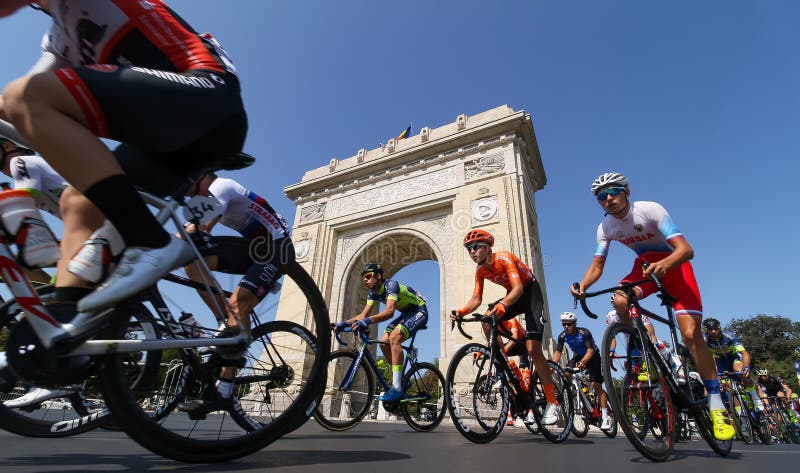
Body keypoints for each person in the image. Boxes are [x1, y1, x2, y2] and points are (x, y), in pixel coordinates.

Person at [0, 1, 248, 328]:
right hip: (166, 139)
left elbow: (24, 100)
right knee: (78, 203)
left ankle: (149, 239)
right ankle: (66, 331)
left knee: (23, 96)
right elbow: (24, 120)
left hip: (209, 98)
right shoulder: (58, 40)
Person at [570, 172, 734, 440]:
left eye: (613, 192)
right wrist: (583, 286)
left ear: (626, 191)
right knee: (620, 299)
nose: (608, 199)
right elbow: (597, 265)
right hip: (645, 267)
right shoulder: (605, 227)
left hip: (675, 265)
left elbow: (686, 249)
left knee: (691, 335)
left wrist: (665, 265)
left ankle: (716, 403)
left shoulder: (649, 210)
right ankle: (646, 346)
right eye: (601, 196)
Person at [177, 173, 290, 416]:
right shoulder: (207, 193)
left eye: (189, 186)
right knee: (192, 261)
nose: (188, 194)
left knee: (238, 305)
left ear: (203, 175)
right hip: (255, 249)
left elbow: (200, 228)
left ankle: (225, 389)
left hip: (278, 247)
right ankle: (225, 325)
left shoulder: (221, 187)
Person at [450, 229, 559, 425]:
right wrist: (461, 311)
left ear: (488, 247)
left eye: (476, 247)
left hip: (529, 295)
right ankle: (504, 361)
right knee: (486, 320)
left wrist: (502, 305)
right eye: (468, 249)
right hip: (514, 298)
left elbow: (517, 289)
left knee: (533, 349)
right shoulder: (481, 270)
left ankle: (552, 401)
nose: (472, 252)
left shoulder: (504, 258)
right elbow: (476, 298)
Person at [335, 263, 429, 403]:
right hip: (405, 314)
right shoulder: (372, 292)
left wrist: (367, 321)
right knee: (383, 341)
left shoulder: (391, 286)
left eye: (368, 276)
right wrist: (344, 323)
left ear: (378, 275)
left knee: (394, 337)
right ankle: (402, 380)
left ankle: (396, 388)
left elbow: (390, 312)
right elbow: (363, 314)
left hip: (419, 311)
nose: (365, 280)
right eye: (363, 278)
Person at [552, 311, 612, 430]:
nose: (566, 327)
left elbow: (590, 351)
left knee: (596, 385)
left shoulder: (584, 333)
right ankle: (570, 391)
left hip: (592, 356)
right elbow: (558, 352)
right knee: (566, 372)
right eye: (564, 324)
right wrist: (552, 366)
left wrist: (583, 362)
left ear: (574, 324)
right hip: (578, 356)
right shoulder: (562, 336)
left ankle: (606, 417)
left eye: (568, 324)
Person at [702, 317, 764, 412]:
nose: (714, 331)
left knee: (741, 371)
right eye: (710, 329)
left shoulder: (729, 336)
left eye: (716, 328)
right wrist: (715, 373)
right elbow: (710, 359)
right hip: (720, 361)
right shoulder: (705, 340)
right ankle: (740, 414)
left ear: (719, 328)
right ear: (707, 330)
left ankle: (755, 397)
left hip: (733, 358)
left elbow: (744, 353)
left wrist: (746, 367)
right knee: (728, 387)